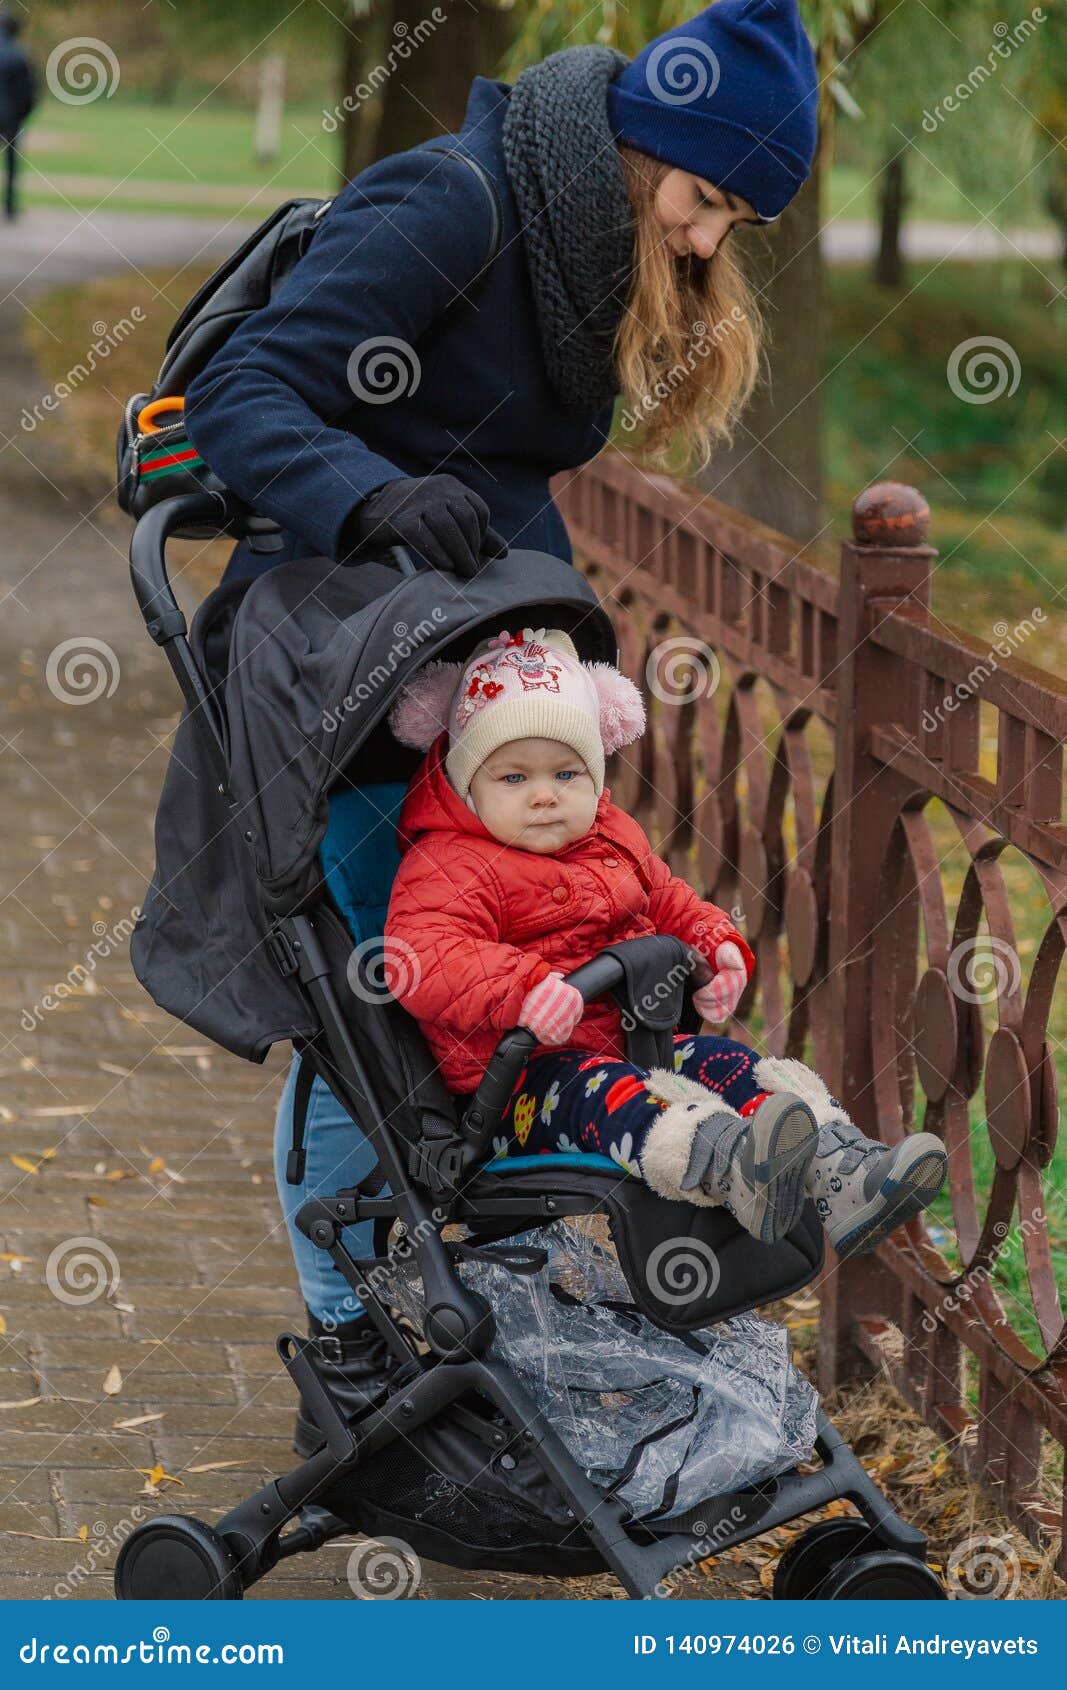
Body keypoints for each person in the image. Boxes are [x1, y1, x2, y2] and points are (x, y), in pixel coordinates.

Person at [188, 0, 825, 1450]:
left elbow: (503, 462)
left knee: (539, 989)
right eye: (700, 198)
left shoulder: (583, 240)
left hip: (482, 668)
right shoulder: (458, 198)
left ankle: (487, 1315)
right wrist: (367, 493)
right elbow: (236, 391)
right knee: (377, 1009)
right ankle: (351, 1353)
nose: (704, 240)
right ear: (638, 143)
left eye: (732, 220)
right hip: (341, 665)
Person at [385, 630, 948, 1257]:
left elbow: (666, 897)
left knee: (729, 1063)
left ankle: (843, 1176)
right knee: (618, 1096)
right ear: (468, 786)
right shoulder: (448, 863)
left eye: (567, 773)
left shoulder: (608, 835)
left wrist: (714, 945)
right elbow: (422, 954)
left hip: (633, 1042)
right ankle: (732, 1168)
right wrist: (523, 988)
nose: (545, 795)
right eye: (514, 777)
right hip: (520, 1088)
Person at [0, 13, 37, 221]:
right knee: (11, 161)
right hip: (10, 116)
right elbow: (28, 93)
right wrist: (21, 114)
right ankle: (9, 206)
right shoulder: (20, 55)